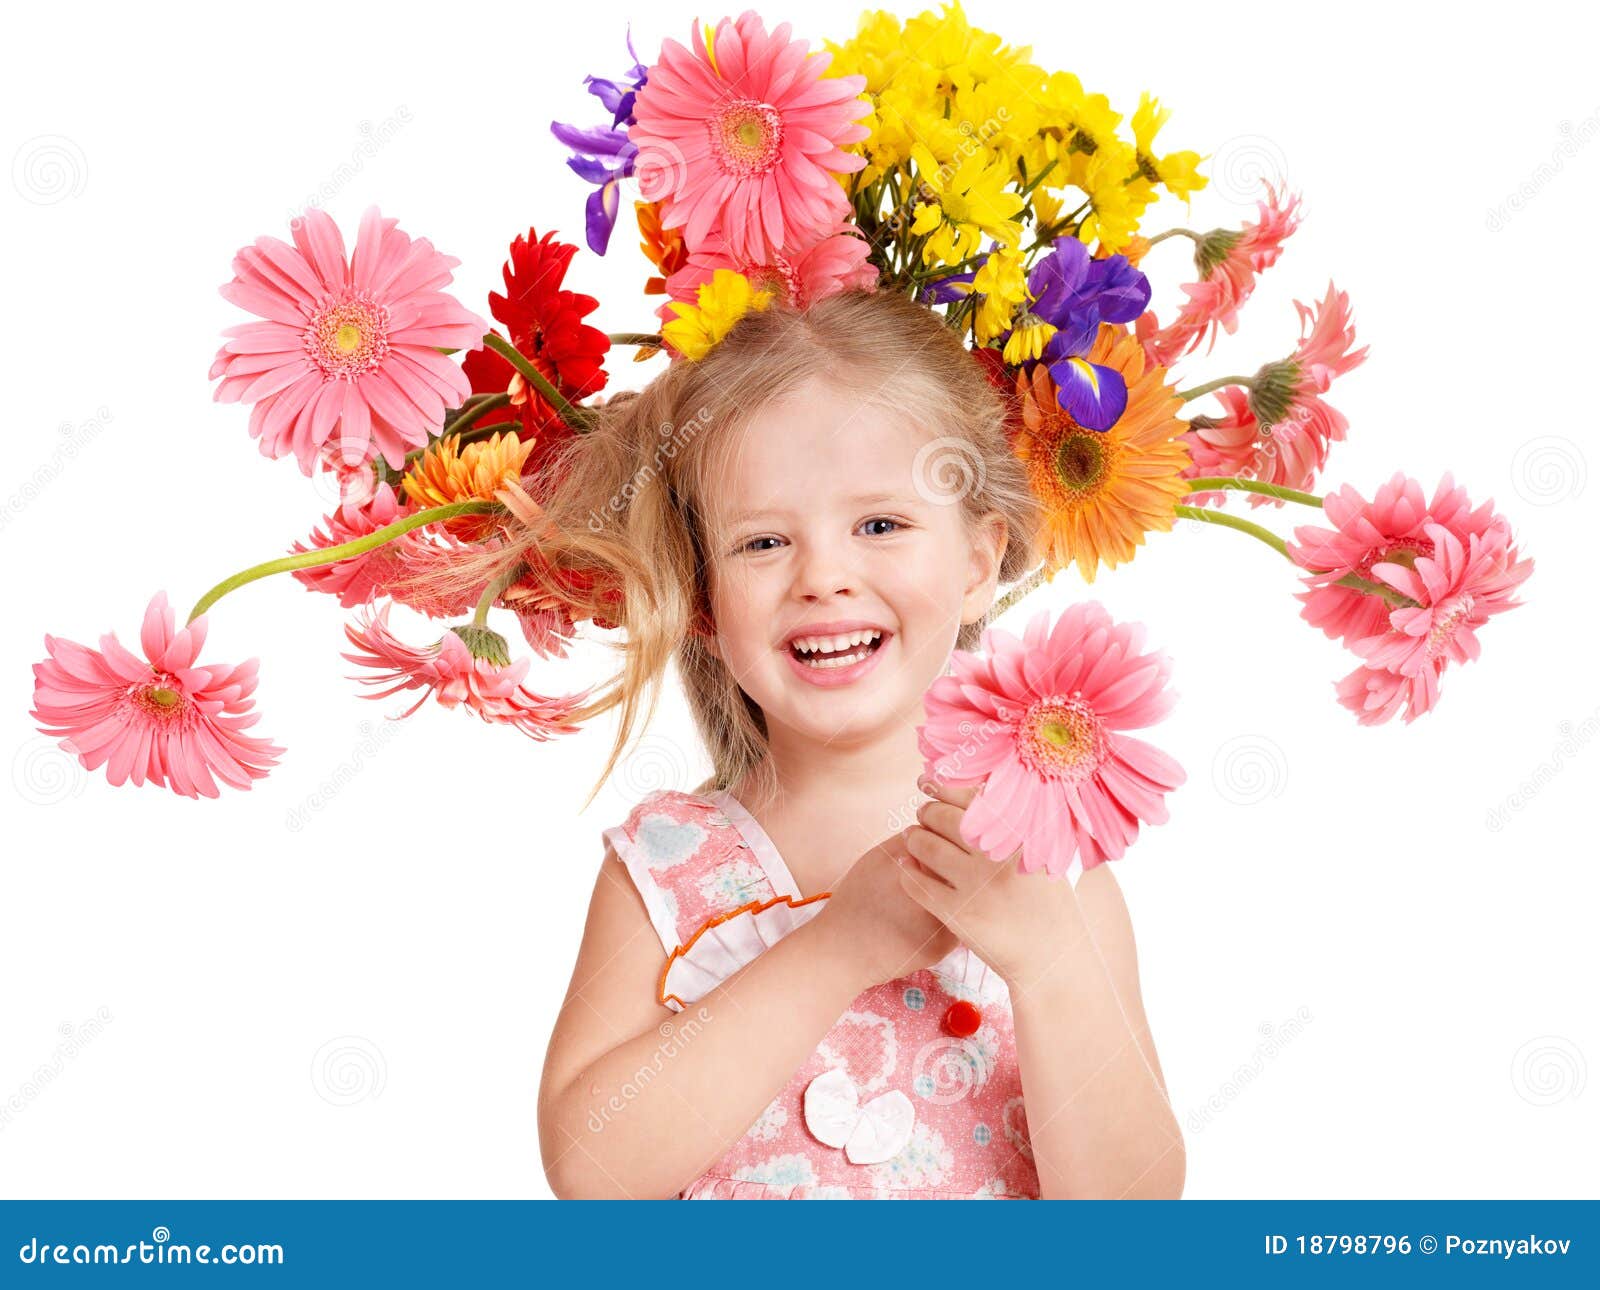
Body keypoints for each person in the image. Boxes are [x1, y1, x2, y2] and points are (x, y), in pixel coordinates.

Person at [446, 287, 1184, 1198]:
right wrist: (838, 948)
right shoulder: (668, 866)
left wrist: (1050, 962)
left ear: (977, 562)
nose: (824, 577)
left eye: (880, 525)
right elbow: (592, 1173)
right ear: (704, 601)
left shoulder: (1046, 862)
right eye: (763, 542)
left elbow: (1134, 1216)